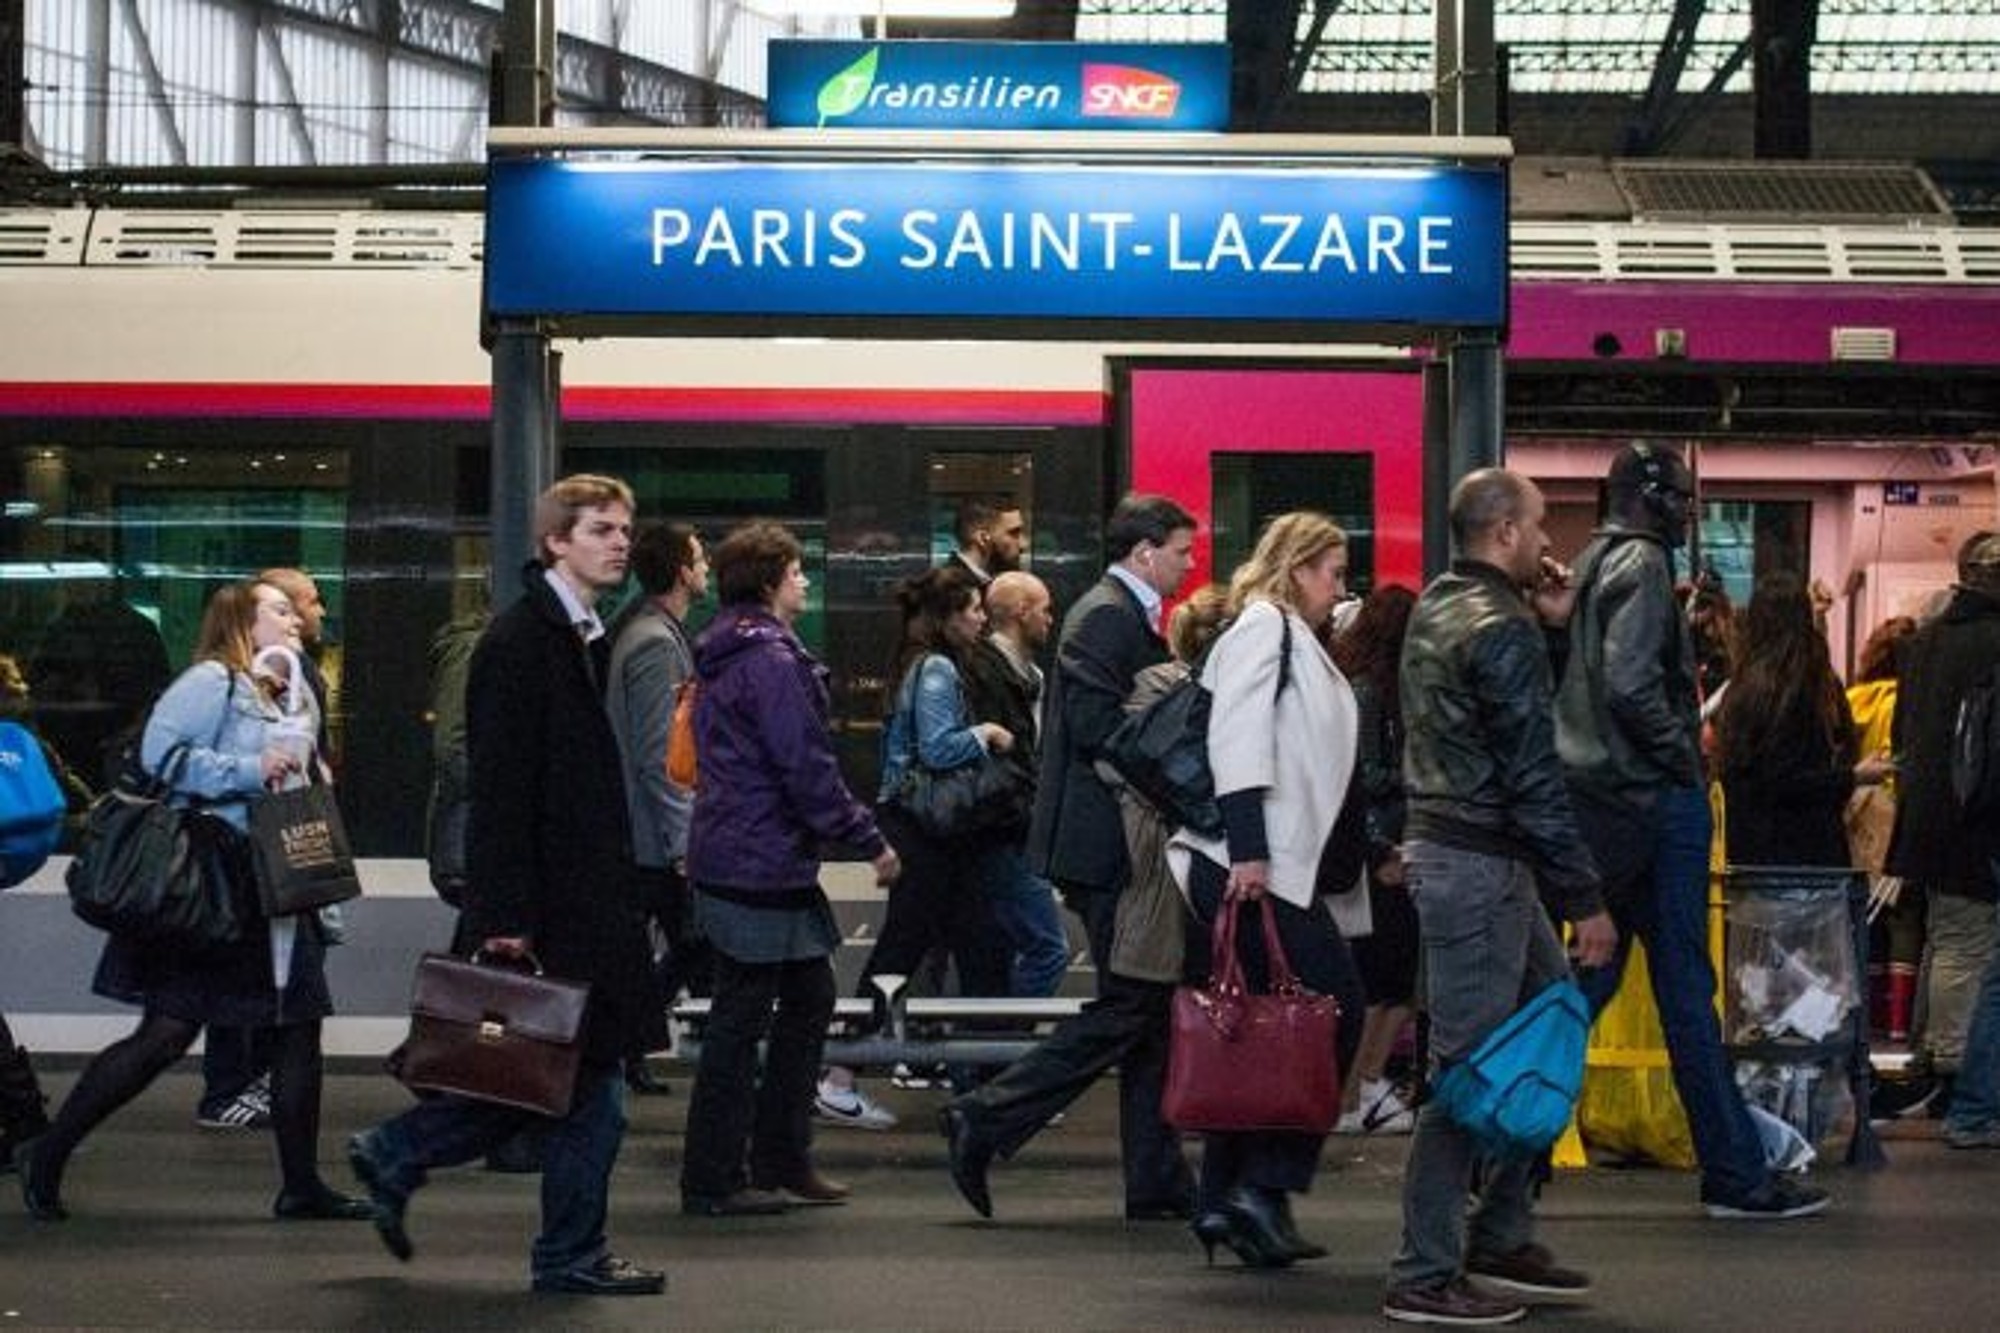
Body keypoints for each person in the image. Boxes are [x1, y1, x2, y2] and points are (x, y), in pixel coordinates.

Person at [347, 475, 669, 1296]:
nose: (620, 541)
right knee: (583, 1087)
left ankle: (403, 1154)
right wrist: (506, 918)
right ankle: (564, 1251)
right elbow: (500, 794)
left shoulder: (577, 636)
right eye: (600, 528)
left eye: (625, 528)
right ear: (555, 540)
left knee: (558, 1081)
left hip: (580, 899)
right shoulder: (522, 644)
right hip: (557, 908)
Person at [17, 580, 369, 1225]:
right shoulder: (212, 682)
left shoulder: (285, 689)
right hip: (217, 884)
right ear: (240, 620)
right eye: (280, 610)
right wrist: (248, 769)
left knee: (298, 1031)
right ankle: (50, 1150)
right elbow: (161, 757)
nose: (295, 620)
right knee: (167, 1032)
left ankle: (301, 1185)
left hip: (277, 883)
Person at [1554, 441, 1829, 1221]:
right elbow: (1634, 682)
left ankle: (1498, 1149)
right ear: (1648, 497)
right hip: (1654, 802)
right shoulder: (1640, 566)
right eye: (1680, 497)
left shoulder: (1590, 565)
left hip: (1601, 805)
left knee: (1584, 986)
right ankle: (1737, 1175)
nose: (1689, 512)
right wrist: (1684, 761)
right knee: (1683, 994)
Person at [1384, 468, 1618, 1326]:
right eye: (1540, 528)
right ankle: (1423, 1270)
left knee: (1547, 1025)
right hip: (1485, 867)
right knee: (1474, 1071)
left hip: (1454, 852)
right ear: (1507, 533)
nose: (1550, 545)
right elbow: (1531, 772)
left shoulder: (1440, 604)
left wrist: (1548, 630)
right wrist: (1585, 895)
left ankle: (1502, 1230)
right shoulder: (1502, 627)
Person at [941, 492, 1198, 1222]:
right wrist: (1183, 783)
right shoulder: (1109, 615)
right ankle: (985, 1116)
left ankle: (1156, 1178)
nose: (1189, 562)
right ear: (1145, 551)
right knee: (1130, 1005)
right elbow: (1095, 726)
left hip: (1109, 843)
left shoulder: (1112, 613)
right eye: (1181, 549)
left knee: (1145, 1009)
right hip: (1107, 845)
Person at [1165, 511, 1369, 1269]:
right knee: (1333, 1009)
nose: (1339, 588)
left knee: (1252, 1028)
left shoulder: (1294, 640)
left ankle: (1227, 1200)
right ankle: (1267, 1184)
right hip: (1251, 861)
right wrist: (1249, 848)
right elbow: (1238, 737)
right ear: (1296, 568)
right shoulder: (1264, 628)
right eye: (1333, 572)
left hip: (1273, 861)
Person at [678, 521, 900, 1215]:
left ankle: (778, 1155)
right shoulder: (769, 661)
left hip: (749, 855)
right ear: (772, 582)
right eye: (799, 571)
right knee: (744, 1021)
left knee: (802, 1001)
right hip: (758, 860)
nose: (806, 581)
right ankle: (718, 1177)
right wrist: (870, 839)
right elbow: (805, 766)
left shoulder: (731, 650)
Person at [817, 566, 1015, 1130]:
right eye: (973, 608)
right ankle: (840, 1076)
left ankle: (987, 1085)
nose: (981, 617)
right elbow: (939, 748)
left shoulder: (919, 662)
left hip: (929, 832)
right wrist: (988, 735)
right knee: (905, 951)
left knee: (977, 946)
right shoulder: (934, 670)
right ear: (948, 616)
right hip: (928, 832)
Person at [194, 565, 333, 1134]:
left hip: (279, 842)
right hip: (257, 849)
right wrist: (262, 766)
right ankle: (233, 1089)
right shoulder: (250, 676)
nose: (308, 615)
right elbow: (175, 755)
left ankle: (286, 1142)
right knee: (236, 993)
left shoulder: (288, 671)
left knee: (292, 993)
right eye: (295, 605)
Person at [1890, 533, 2000, 1147]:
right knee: (1969, 946)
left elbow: (1910, 732)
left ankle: (1933, 1053)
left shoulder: (1924, 643)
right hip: (1974, 820)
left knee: (1943, 937)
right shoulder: (1992, 643)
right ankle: (1961, 1075)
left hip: (1924, 815)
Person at [607, 522, 713, 1096]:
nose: (708, 567)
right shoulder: (654, 642)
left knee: (690, 948)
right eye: (700, 559)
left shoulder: (653, 631)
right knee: (700, 948)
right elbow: (659, 757)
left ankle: (630, 1045)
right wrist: (682, 843)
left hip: (646, 836)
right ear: (681, 571)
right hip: (652, 838)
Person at [1330, 583, 1422, 1136]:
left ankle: (1362, 1087)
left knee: (1393, 976)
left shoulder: (1369, 688)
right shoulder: (1370, 693)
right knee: (1385, 975)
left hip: (1386, 846)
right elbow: (1361, 777)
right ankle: (1353, 1093)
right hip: (1380, 850)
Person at [1712, 571, 1883, 866]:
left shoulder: (1741, 689)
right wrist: (1854, 776)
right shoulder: (1802, 691)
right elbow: (1790, 782)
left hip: (1747, 856)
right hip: (1805, 857)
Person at [961, 570, 1070, 999]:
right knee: (1048, 949)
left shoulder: (1034, 677)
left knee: (1004, 948)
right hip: (1001, 827)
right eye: (1044, 609)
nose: (1050, 619)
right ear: (1021, 612)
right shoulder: (984, 670)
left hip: (1016, 826)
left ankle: (987, 1055)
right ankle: (1001, 1053)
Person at [946, 497, 1027, 589]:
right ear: (983, 538)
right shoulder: (951, 589)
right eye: (1013, 533)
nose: (1024, 544)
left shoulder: (991, 580)